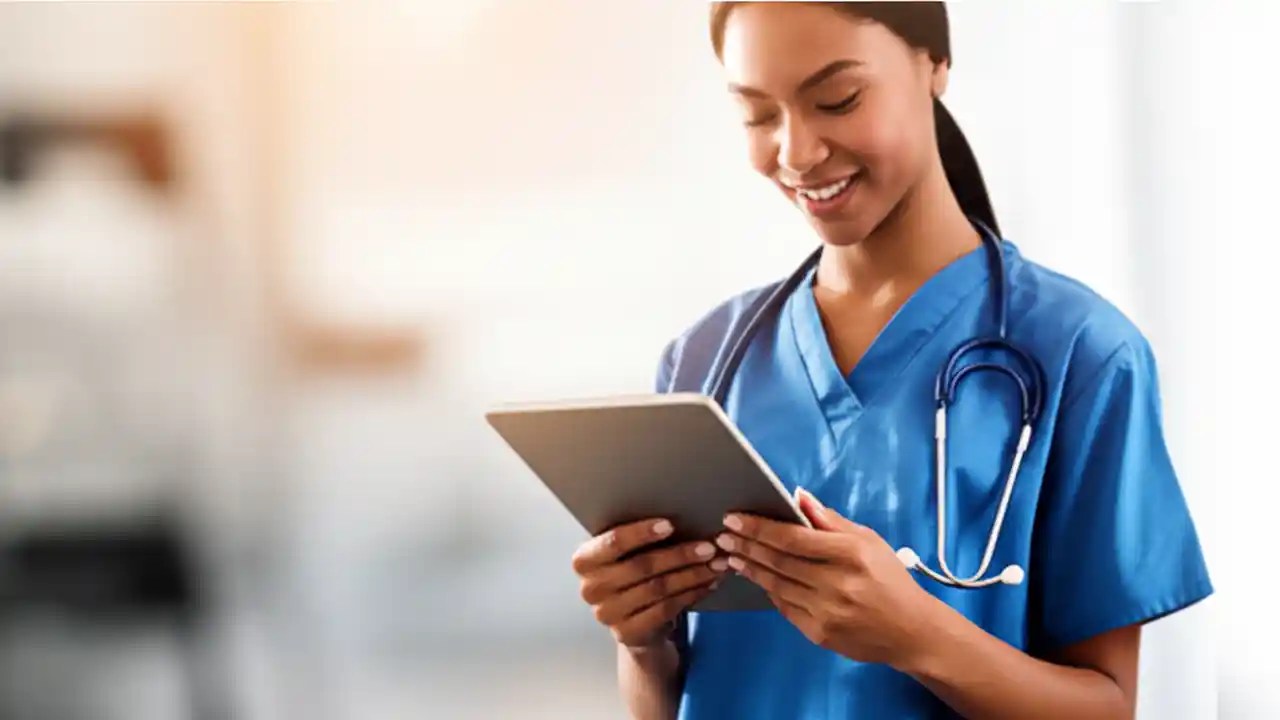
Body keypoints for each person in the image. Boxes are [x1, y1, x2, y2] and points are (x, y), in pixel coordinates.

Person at [568, 3, 1212, 718]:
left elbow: (1108, 708)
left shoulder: (1081, 355)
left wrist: (916, 635)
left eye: (837, 100)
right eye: (757, 115)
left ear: (933, 63)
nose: (796, 151)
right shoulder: (702, 364)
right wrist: (642, 644)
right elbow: (672, 696)